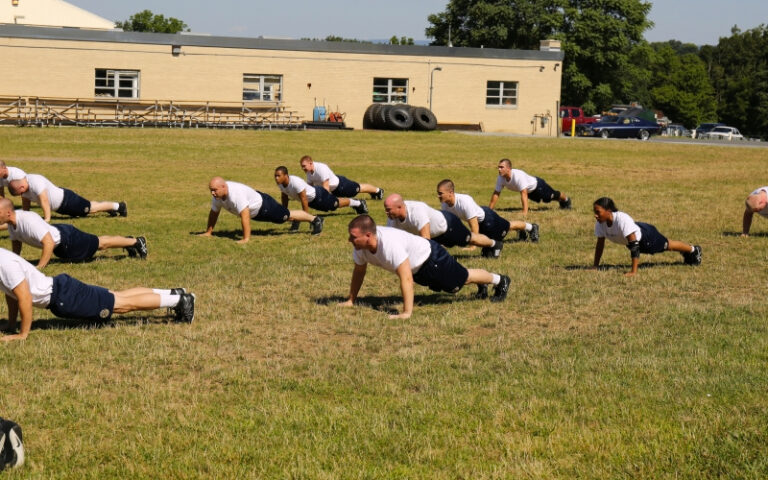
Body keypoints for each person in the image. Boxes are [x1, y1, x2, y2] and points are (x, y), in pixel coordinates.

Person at [0, 248, 195, 342]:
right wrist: (10, 323)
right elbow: (12, 293)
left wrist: (22, 334)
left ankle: (180, 301)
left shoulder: (5, 264)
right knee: (119, 297)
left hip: (64, 295)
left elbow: (24, 297)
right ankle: (173, 293)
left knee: (122, 305)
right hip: (62, 289)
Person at [340, 215, 510, 318]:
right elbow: (359, 271)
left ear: (368, 235)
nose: (349, 240)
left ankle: (500, 280)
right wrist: (351, 300)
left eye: (353, 236)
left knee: (461, 280)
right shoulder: (360, 248)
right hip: (420, 267)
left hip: (431, 258)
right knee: (454, 285)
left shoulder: (389, 244)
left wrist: (406, 313)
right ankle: (483, 282)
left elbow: (406, 278)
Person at [0, 198, 147, 268]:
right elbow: (16, 242)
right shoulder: (13, 223)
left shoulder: (27, 220)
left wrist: (40, 267)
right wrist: (16, 261)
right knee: (98, 243)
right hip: (62, 244)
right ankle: (128, 241)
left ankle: (135, 242)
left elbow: (49, 242)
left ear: (7, 212)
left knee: (101, 244)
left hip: (68, 238)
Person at [591, 197, 702, 276]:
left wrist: (633, 272)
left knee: (667, 245)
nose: (595, 215)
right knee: (667, 244)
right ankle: (688, 251)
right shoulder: (601, 223)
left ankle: (693, 250)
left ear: (608, 211)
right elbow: (600, 245)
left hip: (647, 237)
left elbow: (634, 246)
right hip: (637, 231)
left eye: (598, 212)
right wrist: (595, 266)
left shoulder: (621, 220)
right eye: (594, 212)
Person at [199, 177, 323, 242]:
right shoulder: (218, 196)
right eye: (211, 190)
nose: (213, 193)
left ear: (223, 186)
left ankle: (315, 219)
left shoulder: (236, 194)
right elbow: (214, 213)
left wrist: (245, 239)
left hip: (264, 206)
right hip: (257, 210)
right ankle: (298, 219)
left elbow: (245, 216)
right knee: (285, 217)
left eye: (215, 190)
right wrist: (209, 232)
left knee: (286, 216)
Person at [383, 193, 504, 258]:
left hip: (448, 225)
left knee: (469, 239)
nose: (386, 213)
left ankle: (494, 244)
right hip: (436, 234)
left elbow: (426, 240)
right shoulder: (393, 218)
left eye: (388, 210)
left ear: (400, 207)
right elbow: (391, 240)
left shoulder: (416, 211)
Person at [437, 179, 540, 245]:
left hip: (488, 220)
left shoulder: (464, 201)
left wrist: (473, 245)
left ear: (450, 193)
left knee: (507, 227)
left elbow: (474, 225)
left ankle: (531, 227)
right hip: (480, 220)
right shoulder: (445, 204)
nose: (438, 196)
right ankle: (522, 230)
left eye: (440, 193)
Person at [8, 174, 126, 221]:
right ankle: (111, 208)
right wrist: (25, 216)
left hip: (67, 201)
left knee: (91, 208)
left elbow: (44, 201)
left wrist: (47, 219)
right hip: (62, 206)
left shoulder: (35, 182)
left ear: (21, 186)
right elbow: (26, 204)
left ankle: (119, 206)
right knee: (89, 206)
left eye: (20, 193)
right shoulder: (24, 188)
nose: (21, 195)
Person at [274, 166, 368, 217]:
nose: (276, 178)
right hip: (313, 201)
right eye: (275, 176)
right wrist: (284, 210)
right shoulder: (280, 183)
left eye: (278, 176)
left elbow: (304, 199)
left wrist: (306, 217)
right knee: (331, 206)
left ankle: (358, 203)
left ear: (286, 175)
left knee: (335, 203)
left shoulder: (295, 182)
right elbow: (284, 196)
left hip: (318, 195)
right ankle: (357, 203)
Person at [489, 158, 572, 216]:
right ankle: (562, 202)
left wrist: (524, 212)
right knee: (547, 200)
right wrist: (490, 210)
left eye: (501, 167)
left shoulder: (518, 176)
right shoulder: (500, 177)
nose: (499, 169)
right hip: (531, 192)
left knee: (551, 195)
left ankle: (566, 200)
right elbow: (496, 193)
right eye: (498, 167)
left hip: (538, 186)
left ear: (508, 168)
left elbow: (524, 193)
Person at [299, 155, 384, 200]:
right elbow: (309, 187)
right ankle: (373, 192)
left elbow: (326, 188)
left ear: (311, 163)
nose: (303, 168)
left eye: (304, 166)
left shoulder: (321, 168)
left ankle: (378, 191)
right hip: (335, 190)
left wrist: (323, 200)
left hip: (342, 186)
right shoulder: (309, 172)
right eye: (302, 166)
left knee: (358, 188)